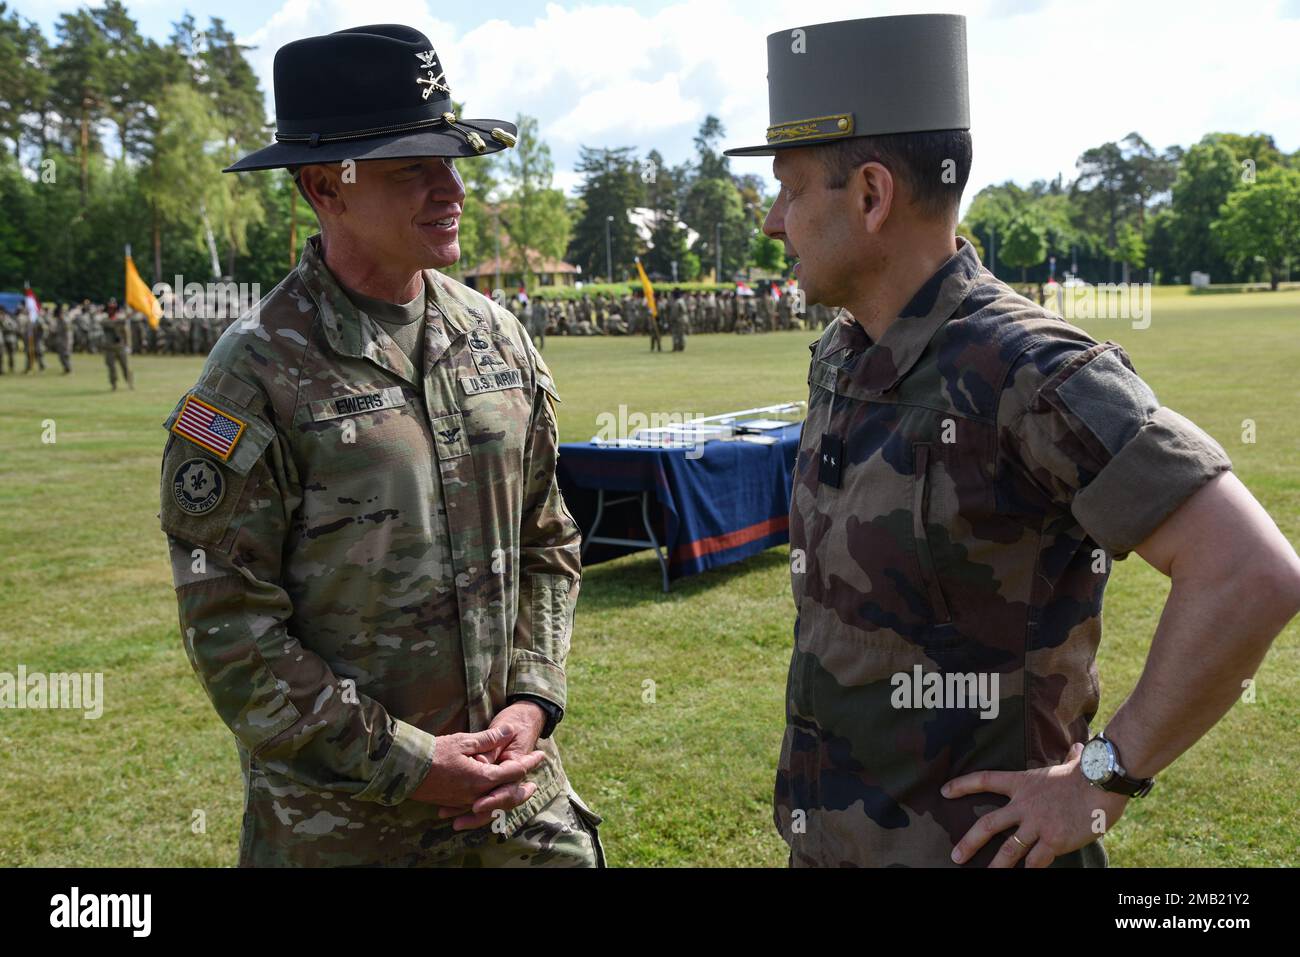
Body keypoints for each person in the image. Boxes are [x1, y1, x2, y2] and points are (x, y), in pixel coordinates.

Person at [725, 13, 1300, 868]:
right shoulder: (842, 355)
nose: (774, 221)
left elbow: (1250, 572)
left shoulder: (1028, 368)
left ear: (872, 194)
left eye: (791, 187)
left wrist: (1100, 779)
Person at [158, 24, 601, 867]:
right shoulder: (252, 376)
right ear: (326, 186)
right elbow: (230, 627)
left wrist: (532, 698)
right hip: (347, 831)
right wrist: (409, 761)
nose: (450, 190)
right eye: (412, 171)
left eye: (450, 164)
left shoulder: (496, 338)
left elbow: (548, 539)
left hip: (515, 814)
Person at [101, 298, 133, 390]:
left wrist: (127, 345)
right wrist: (124, 319)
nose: (112, 310)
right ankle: (113, 384)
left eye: (113, 308)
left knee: (125, 366)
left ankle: (130, 383)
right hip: (109, 348)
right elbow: (110, 324)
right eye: (110, 308)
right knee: (111, 368)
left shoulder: (120, 320)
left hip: (120, 346)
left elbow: (125, 332)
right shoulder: (105, 320)